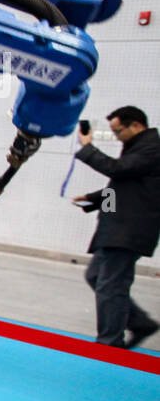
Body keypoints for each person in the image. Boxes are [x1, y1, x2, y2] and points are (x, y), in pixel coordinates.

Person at [72, 106, 160, 348]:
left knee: (111, 285)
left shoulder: (152, 148)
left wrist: (87, 148)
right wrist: (94, 198)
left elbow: (117, 170)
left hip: (128, 231)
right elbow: (125, 185)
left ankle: (110, 343)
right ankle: (140, 322)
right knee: (96, 276)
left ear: (136, 126)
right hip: (117, 229)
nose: (116, 136)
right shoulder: (137, 148)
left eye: (118, 131)